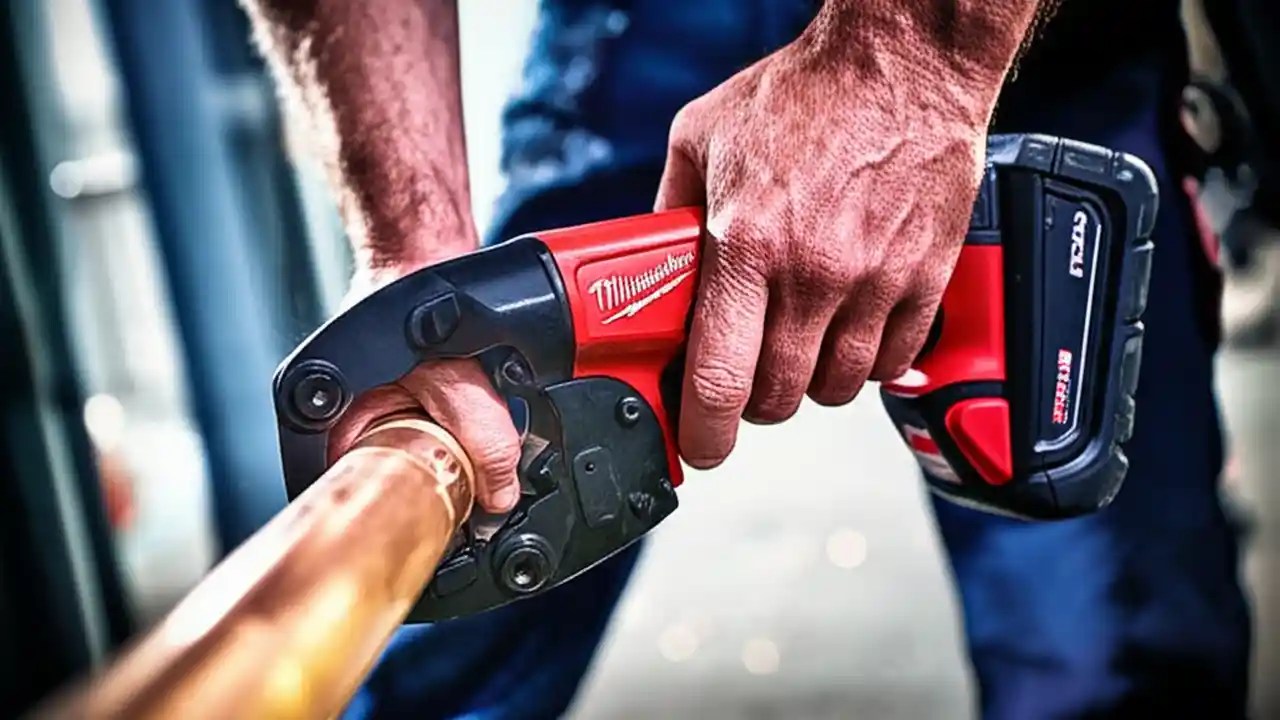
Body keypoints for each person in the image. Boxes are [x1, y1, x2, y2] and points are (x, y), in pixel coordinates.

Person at [242, 1, 1251, 717]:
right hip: (645, 24)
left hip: (1015, 37)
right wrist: (412, 253)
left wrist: (909, 61)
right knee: (470, 521)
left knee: (1100, 632)